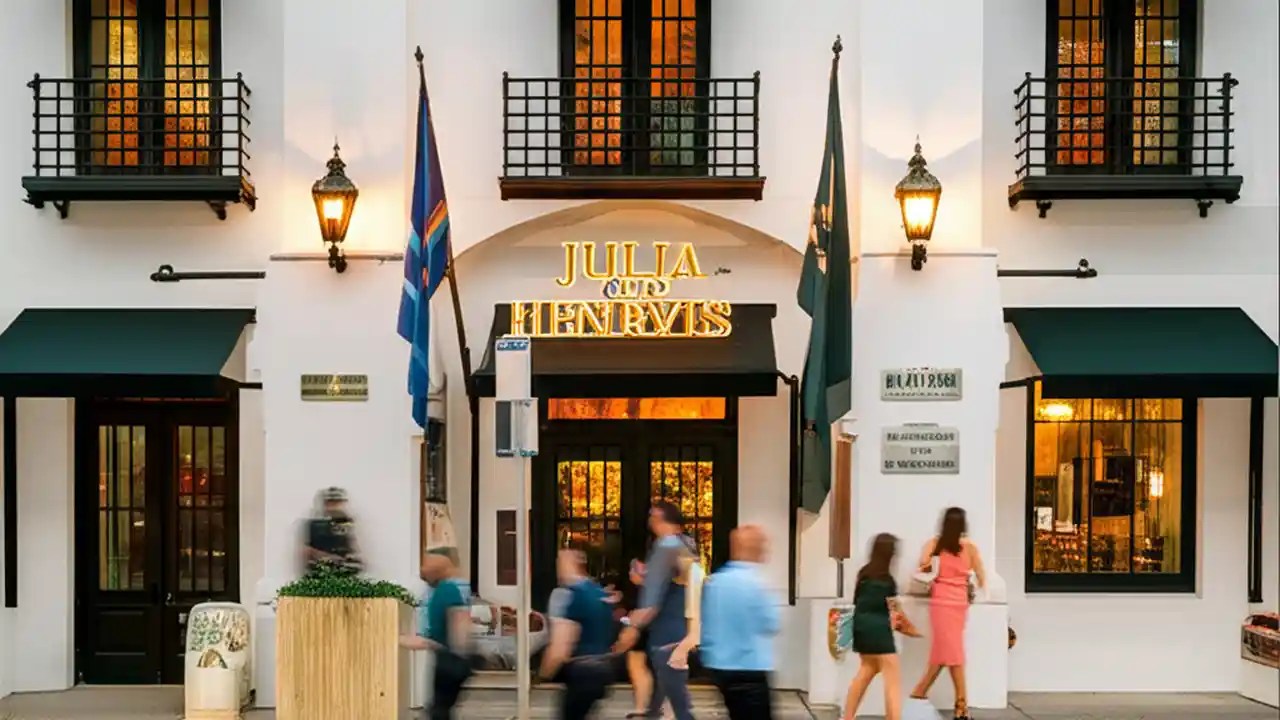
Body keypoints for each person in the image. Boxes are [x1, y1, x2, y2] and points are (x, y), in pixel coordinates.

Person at [618, 501, 699, 720]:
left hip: (666, 632)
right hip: (682, 626)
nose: (651, 522)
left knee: (679, 701)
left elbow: (653, 594)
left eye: (654, 517)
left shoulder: (666, 547)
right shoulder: (687, 546)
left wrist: (633, 625)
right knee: (664, 691)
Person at [909, 507, 987, 720]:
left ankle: (920, 693)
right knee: (953, 653)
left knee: (947, 652)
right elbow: (981, 576)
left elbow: (921, 567)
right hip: (958, 603)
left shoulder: (934, 545)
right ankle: (959, 705)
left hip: (940, 601)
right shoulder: (969, 548)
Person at [700, 525, 780, 720]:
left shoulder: (715, 582)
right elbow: (770, 623)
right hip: (750, 667)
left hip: (721, 666)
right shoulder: (756, 583)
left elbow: (708, 623)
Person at [841, 533, 919, 720]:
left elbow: (857, 601)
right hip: (879, 632)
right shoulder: (887, 581)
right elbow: (896, 612)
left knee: (866, 670)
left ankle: (847, 717)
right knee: (892, 679)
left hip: (860, 629)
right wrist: (912, 630)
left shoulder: (863, 574)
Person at [542, 547, 618, 720]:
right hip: (603, 668)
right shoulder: (599, 592)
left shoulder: (567, 594)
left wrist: (544, 673)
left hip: (582, 670)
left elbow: (562, 642)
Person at [401, 550, 473, 720]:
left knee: (439, 711)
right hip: (447, 659)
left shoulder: (447, 590)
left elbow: (459, 622)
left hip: (448, 662)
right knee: (440, 710)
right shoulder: (440, 591)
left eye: (426, 565)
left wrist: (456, 656)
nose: (422, 570)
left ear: (437, 568)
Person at [622, 559, 656, 719]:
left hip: (642, 634)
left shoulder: (642, 592)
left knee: (638, 668)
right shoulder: (651, 591)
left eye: (632, 570)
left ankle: (641, 707)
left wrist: (629, 624)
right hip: (651, 634)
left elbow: (638, 616)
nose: (630, 574)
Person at [302, 487, 362, 573]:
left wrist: (352, 557)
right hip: (321, 569)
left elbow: (351, 545)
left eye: (338, 503)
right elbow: (305, 550)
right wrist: (326, 557)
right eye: (332, 503)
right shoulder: (316, 524)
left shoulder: (346, 523)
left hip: (343, 569)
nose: (336, 506)